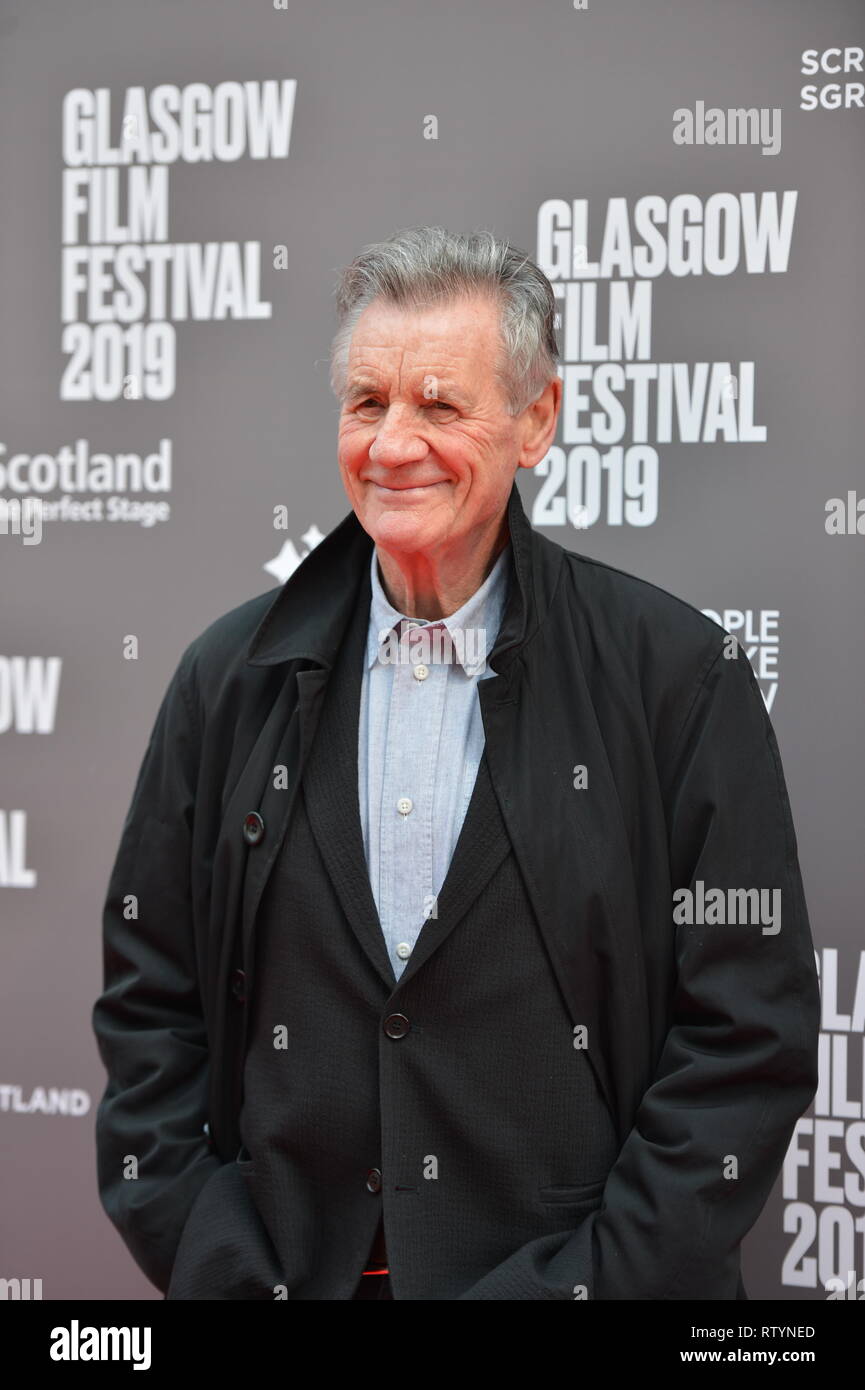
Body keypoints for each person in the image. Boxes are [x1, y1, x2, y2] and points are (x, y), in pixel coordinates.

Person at [92, 226, 819, 1300]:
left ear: (536, 421)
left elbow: (743, 1044)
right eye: (367, 402)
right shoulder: (229, 677)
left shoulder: (677, 678)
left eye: (439, 404)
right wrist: (231, 1275)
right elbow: (151, 1015)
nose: (392, 444)